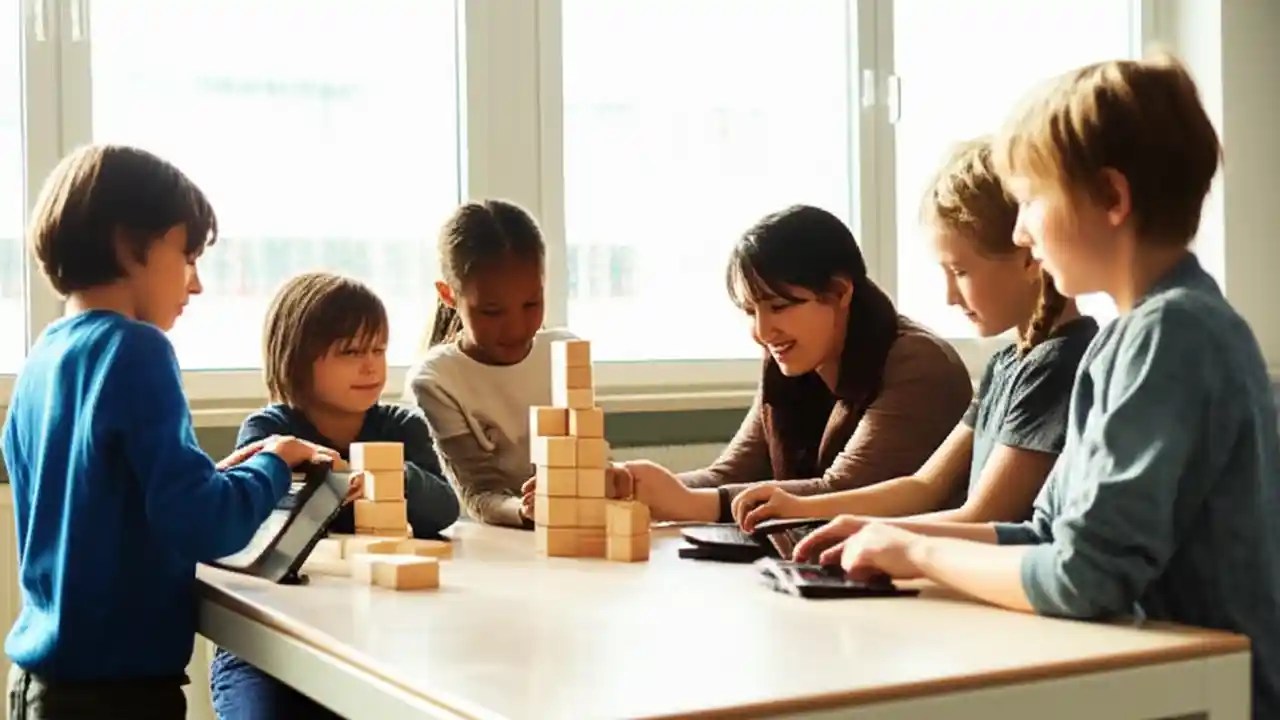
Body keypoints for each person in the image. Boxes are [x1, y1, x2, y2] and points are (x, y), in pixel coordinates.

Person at [793, 54, 1280, 718]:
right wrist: (881, 535)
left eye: (1028, 202)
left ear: (1111, 198)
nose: (1020, 231)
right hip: (1150, 675)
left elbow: (1085, 578)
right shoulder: (1126, 338)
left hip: (1201, 694)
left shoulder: (1175, 336)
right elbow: (1047, 534)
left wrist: (918, 550)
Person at [1, 144, 338, 719]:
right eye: (186, 256)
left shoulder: (45, 359)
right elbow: (206, 525)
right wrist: (276, 462)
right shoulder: (136, 350)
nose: (196, 284)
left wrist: (222, 473)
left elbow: (112, 501)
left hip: (40, 685)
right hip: (116, 698)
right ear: (131, 245)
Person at [732, 139, 1098, 532]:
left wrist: (870, 533)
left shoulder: (1057, 365)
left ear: (1029, 256)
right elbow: (923, 486)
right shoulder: (1007, 365)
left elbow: (984, 518)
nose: (949, 295)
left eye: (959, 272)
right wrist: (798, 506)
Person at [615, 204, 973, 524]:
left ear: (839, 292)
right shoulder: (791, 357)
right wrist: (631, 488)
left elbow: (845, 492)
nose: (761, 331)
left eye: (779, 307)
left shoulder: (920, 365)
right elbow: (730, 474)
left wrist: (692, 503)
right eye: (750, 311)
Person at [210, 271, 460, 719]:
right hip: (265, 647)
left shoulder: (401, 428)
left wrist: (384, 476)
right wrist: (323, 488)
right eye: (350, 353)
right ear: (297, 360)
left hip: (373, 640)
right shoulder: (269, 432)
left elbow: (442, 508)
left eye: (378, 350)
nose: (370, 366)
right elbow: (255, 536)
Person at [405, 200, 575, 528]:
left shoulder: (564, 352)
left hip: (569, 534)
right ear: (449, 295)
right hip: (492, 542)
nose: (516, 328)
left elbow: (592, 461)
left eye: (531, 303)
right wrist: (528, 510)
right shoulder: (436, 380)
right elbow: (479, 493)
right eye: (492, 312)